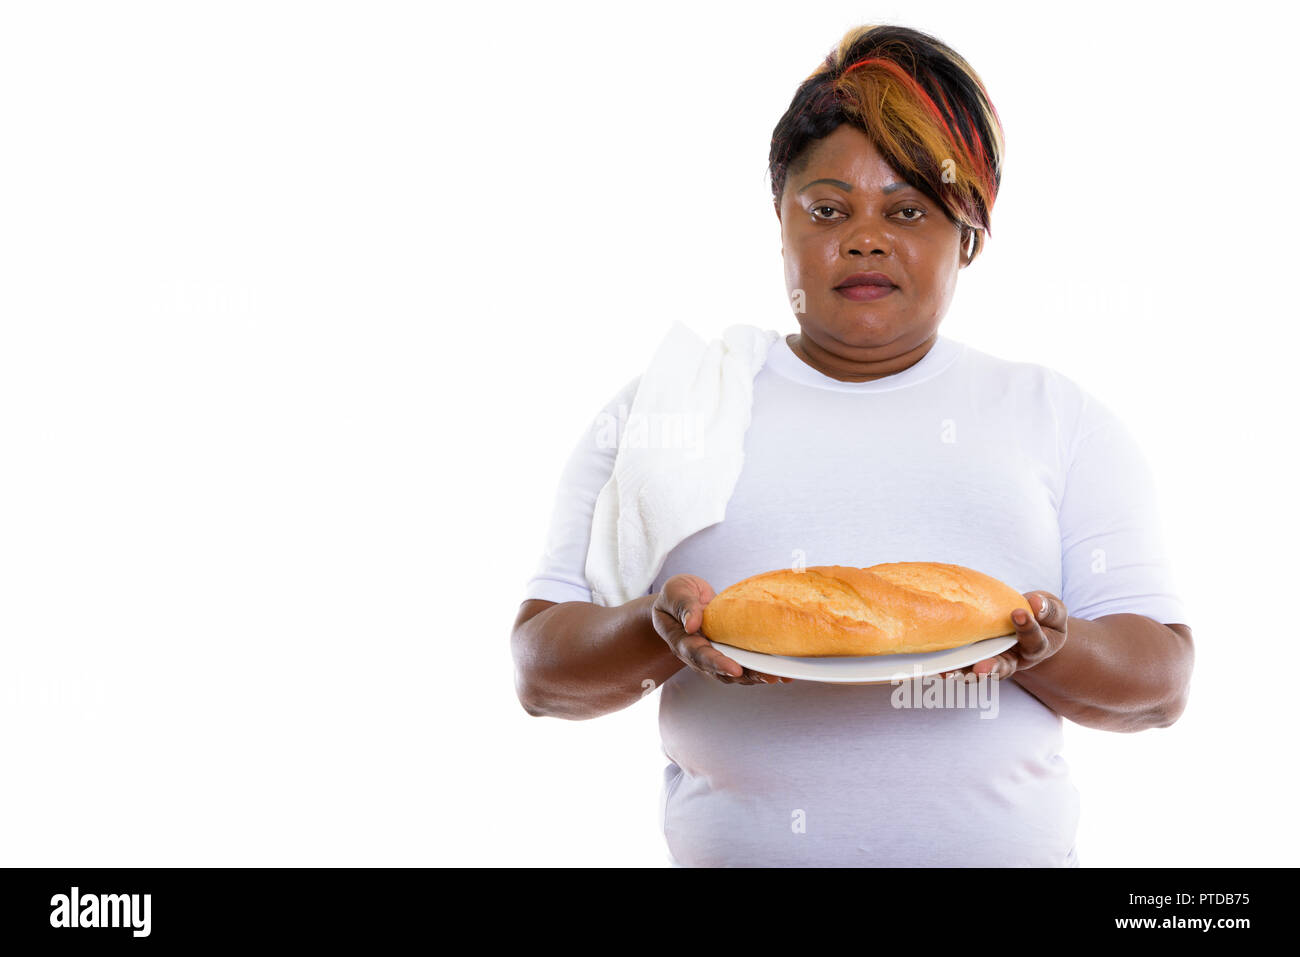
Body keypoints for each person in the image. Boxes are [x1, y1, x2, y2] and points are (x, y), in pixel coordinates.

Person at [510, 23, 1194, 867]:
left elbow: (1159, 686)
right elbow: (541, 672)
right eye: (828, 208)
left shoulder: (1053, 414)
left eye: (907, 209)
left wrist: (1044, 647)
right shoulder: (673, 406)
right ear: (780, 217)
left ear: (968, 232)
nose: (865, 238)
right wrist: (660, 630)